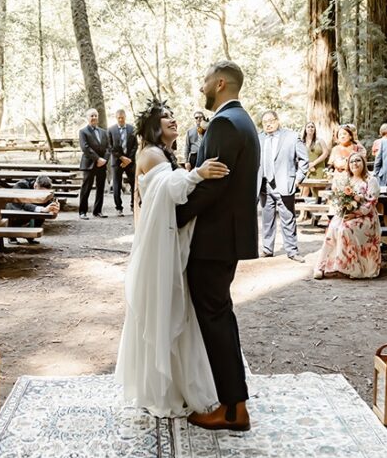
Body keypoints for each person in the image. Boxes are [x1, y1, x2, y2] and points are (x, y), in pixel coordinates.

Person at [115, 98, 229, 418]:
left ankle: (179, 385)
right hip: (159, 246)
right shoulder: (150, 153)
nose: (172, 120)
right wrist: (198, 174)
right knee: (166, 309)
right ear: (153, 127)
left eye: (172, 115)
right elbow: (172, 190)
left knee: (177, 309)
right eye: (165, 117)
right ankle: (164, 390)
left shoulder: (164, 154)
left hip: (167, 239)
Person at [176, 60, 260, 432]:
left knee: (216, 318)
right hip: (225, 238)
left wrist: (171, 216)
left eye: (205, 80)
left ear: (221, 83)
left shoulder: (225, 123)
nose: (201, 87)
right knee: (218, 316)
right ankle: (229, 399)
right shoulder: (243, 121)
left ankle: (232, 409)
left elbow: (215, 185)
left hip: (214, 240)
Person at [313, 152, 382, 280]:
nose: (354, 163)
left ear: (363, 163)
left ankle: (353, 268)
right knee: (333, 228)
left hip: (366, 217)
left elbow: (371, 204)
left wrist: (355, 214)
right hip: (347, 214)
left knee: (346, 229)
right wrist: (343, 209)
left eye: (358, 161)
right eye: (351, 162)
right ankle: (322, 266)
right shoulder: (346, 180)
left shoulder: (371, 180)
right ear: (348, 166)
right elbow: (338, 200)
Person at [258, 111, 309, 262]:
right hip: (264, 185)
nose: (268, 123)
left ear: (277, 120)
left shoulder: (292, 137)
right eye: (264, 121)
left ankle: (292, 251)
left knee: (288, 218)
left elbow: (304, 160)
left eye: (271, 120)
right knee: (267, 219)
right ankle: (267, 249)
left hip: (285, 184)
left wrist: (297, 179)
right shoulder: (258, 138)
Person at [6, 175, 61, 244]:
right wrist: (42, 209)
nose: (42, 194)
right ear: (35, 186)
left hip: (31, 207)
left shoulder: (47, 191)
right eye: (41, 192)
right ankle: (11, 236)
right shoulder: (21, 186)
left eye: (44, 193)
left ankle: (30, 236)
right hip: (15, 208)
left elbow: (49, 205)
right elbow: (21, 204)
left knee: (43, 212)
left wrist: (54, 208)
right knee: (37, 210)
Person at [77, 108, 109, 219]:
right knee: (86, 188)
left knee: (100, 188)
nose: (94, 118)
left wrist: (104, 159)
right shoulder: (83, 132)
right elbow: (85, 148)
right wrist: (97, 159)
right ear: (87, 118)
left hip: (102, 165)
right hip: (89, 164)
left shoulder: (104, 132)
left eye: (95, 115)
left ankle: (97, 211)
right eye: (91, 116)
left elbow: (108, 148)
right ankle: (82, 212)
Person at [108, 109, 138, 216]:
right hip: (117, 162)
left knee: (134, 183)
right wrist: (121, 158)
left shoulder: (132, 129)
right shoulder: (111, 130)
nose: (121, 119)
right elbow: (110, 147)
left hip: (130, 161)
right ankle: (118, 208)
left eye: (122, 117)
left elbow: (135, 145)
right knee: (116, 185)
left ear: (125, 117)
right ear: (116, 118)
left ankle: (133, 205)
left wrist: (128, 159)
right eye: (119, 118)